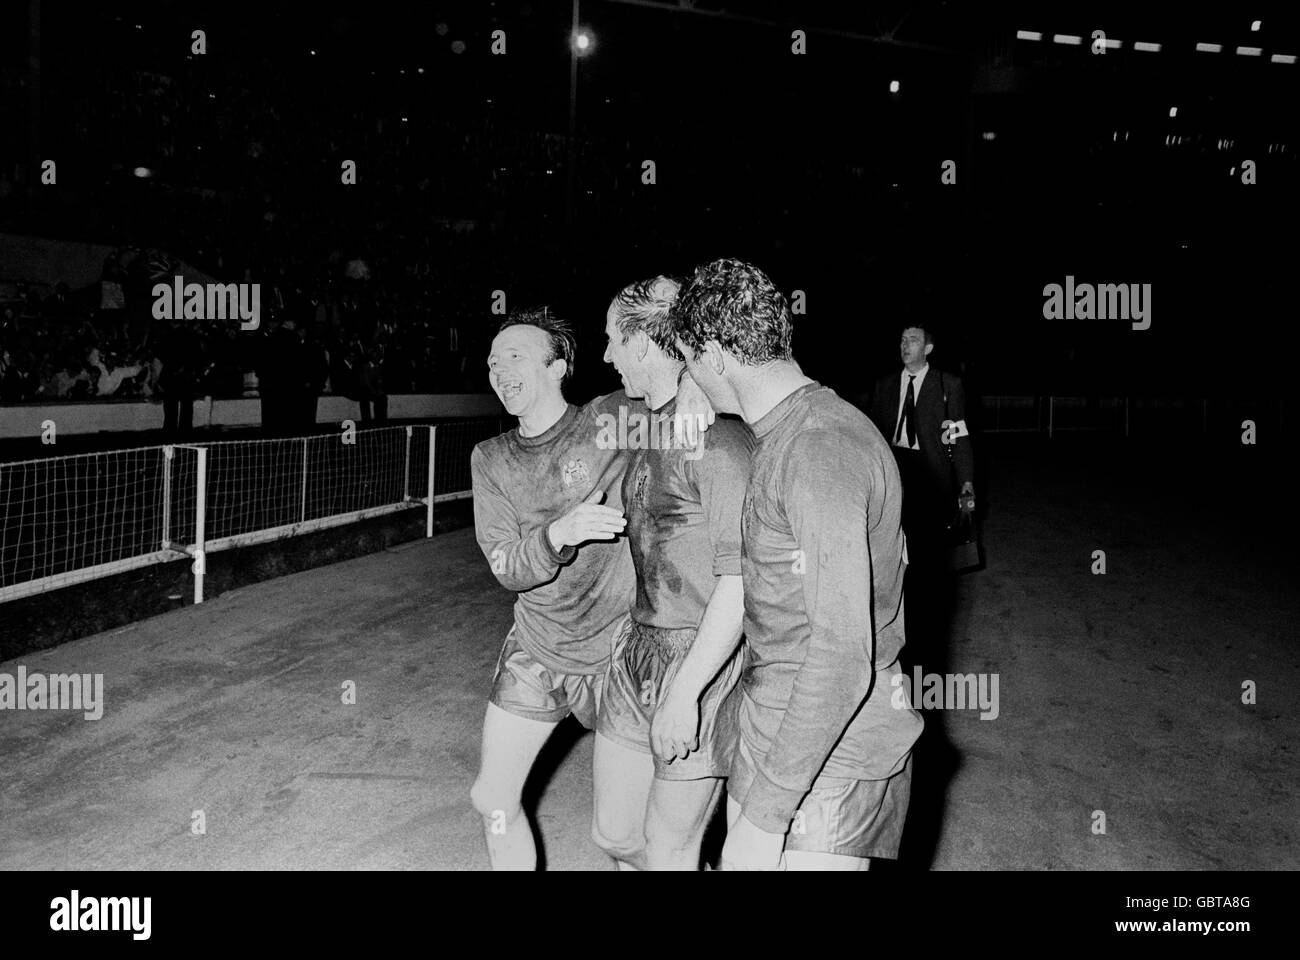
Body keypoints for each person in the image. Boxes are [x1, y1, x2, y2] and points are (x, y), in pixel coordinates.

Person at [672, 257, 923, 871]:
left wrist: (767, 813)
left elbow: (841, 655)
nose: (687, 378)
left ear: (716, 357)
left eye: (688, 361)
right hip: (775, 725)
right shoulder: (783, 430)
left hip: (831, 750)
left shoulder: (817, 448)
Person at [468, 306, 713, 871]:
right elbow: (507, 564)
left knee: (626, 836)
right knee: (493, 799)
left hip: (620, 659)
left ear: (558, 368)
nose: (500, 370)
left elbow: (684, 387)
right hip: (539, 648)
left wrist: (697, 389)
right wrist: (560, 532)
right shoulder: (492, 459)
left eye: (516, 357)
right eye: (492, 362)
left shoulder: (612, 419)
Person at [591, 277, 752, 871]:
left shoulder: (718, 441)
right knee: (614, 833)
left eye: (612, 339)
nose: (605, 355)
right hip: (637, 648)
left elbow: (739, 586)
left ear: (640, 341)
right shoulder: (642, 420)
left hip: (700, 661)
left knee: (670, 849)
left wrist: (686, 694)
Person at [868, 323, 975, 660]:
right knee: (890, 547)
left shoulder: (948, 384)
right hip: (894, 472)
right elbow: (872, 436)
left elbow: (959, 437)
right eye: (902, 340)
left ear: (928, 348)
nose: (905, 345)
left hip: (931, 478)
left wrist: (966, 481)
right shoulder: (885, 385)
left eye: (912, 340)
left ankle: (921, 617)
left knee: (926, 554)